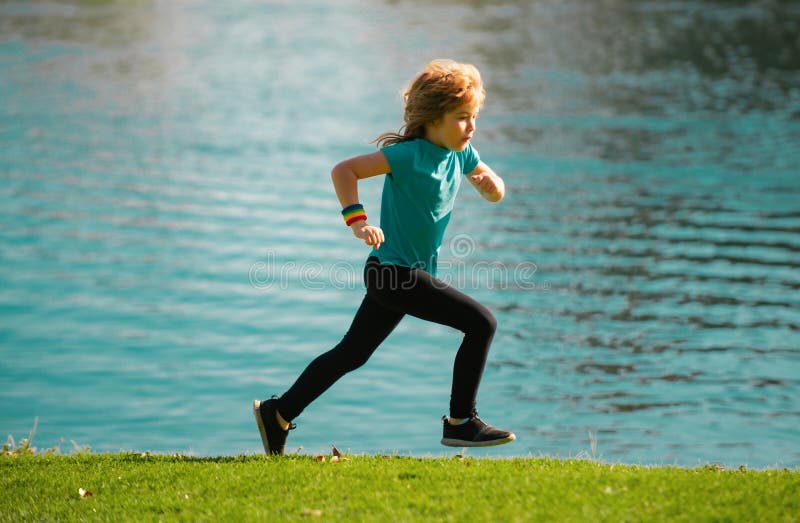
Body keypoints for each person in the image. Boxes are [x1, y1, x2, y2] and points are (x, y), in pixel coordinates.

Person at [254, 59, 515, 455]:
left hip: (401, 275)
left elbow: (494, 186)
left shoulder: (462, 154)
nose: (472, 126)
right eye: (463, 118)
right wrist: (357, 222)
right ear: (433, 119)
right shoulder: (408, 155)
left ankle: (278, 412)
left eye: (474, 117)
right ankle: (462, 422)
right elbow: (345, 171)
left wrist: (491, 187)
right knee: (482, 324)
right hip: (394, 274)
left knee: (352, 353)